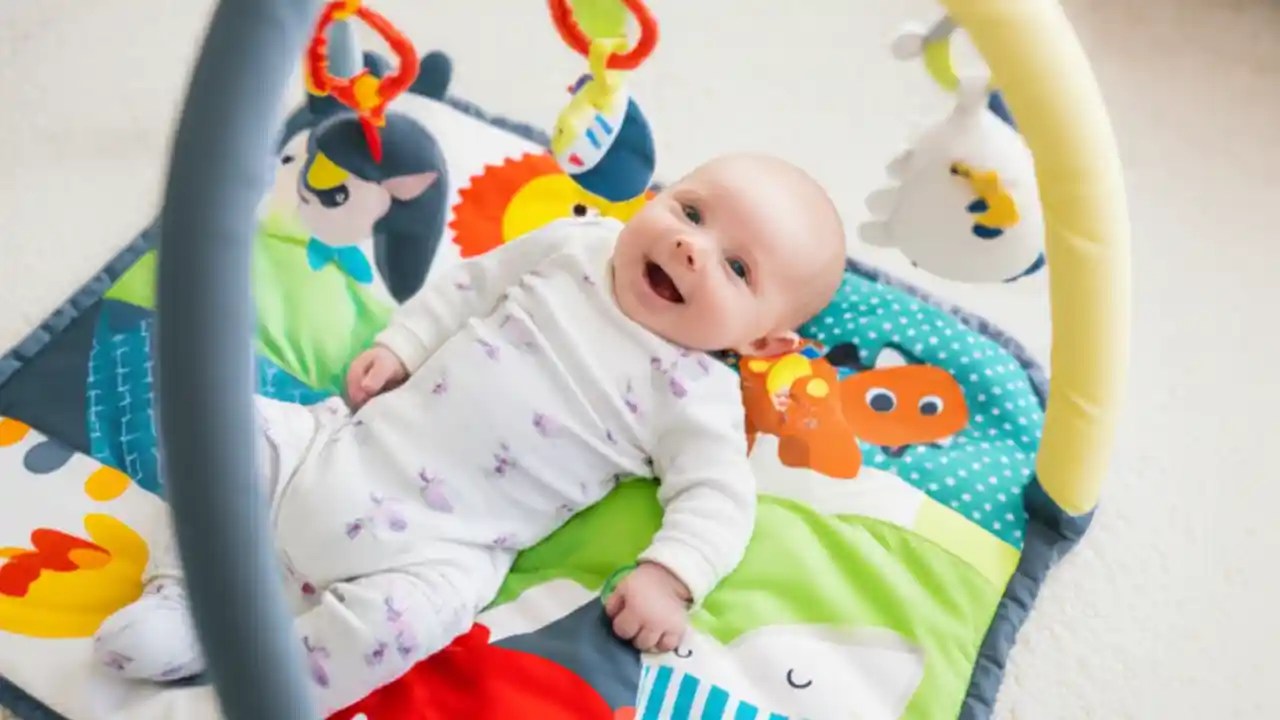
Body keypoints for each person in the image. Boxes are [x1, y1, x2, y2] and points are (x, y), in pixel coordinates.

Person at [92, 152, 847, 715]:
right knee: (220, 420)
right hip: (332, 448)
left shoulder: (699, 395)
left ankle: (262, 687)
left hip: (436, 550)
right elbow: (468, 286)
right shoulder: (574, 246)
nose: (692, 247)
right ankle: (183, 595)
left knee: (407, 626)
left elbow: (719, 498)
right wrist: (403, 346)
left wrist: (669, 577)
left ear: (762, 344)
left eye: (738, 267)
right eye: (690, 211)